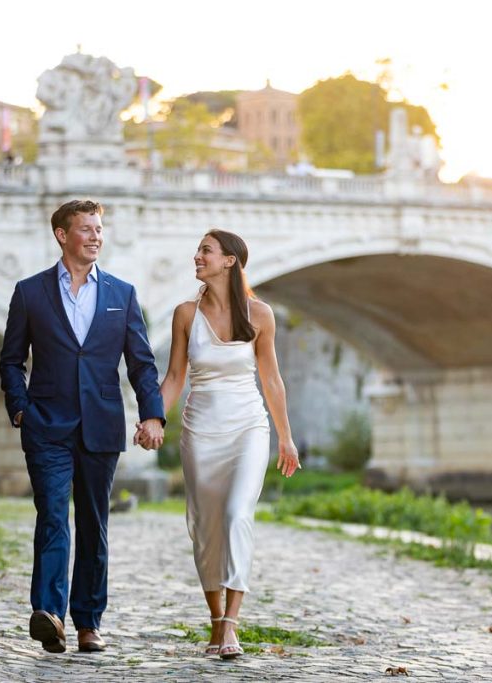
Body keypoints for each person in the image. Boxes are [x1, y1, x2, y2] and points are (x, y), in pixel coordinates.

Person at [0, 198, 165, 654]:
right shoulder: (30, 292)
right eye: (86, 229)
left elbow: (142, 363)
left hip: (101, 425)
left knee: (94, 523)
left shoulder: (121, 294)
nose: (95, 236)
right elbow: (12, 360)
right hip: (46, 426)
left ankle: (89, 621)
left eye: (99, 229)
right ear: (62, 235)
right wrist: (20, 408)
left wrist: (151, 413)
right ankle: (49, 615)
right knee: (53, 515)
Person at [141, 229, 300, 659]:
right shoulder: (185, 314)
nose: (197, 256)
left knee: (235, 516)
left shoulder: (260, 314)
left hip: (249, 428)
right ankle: (215, 624)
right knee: (206, 528)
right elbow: (174, 378)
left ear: (229, 260)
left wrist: (285, 438)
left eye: (205, 251)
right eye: (198, 251)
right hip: (200, 432)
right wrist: (154, 417)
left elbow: (271, 379)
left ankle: (232, 625)